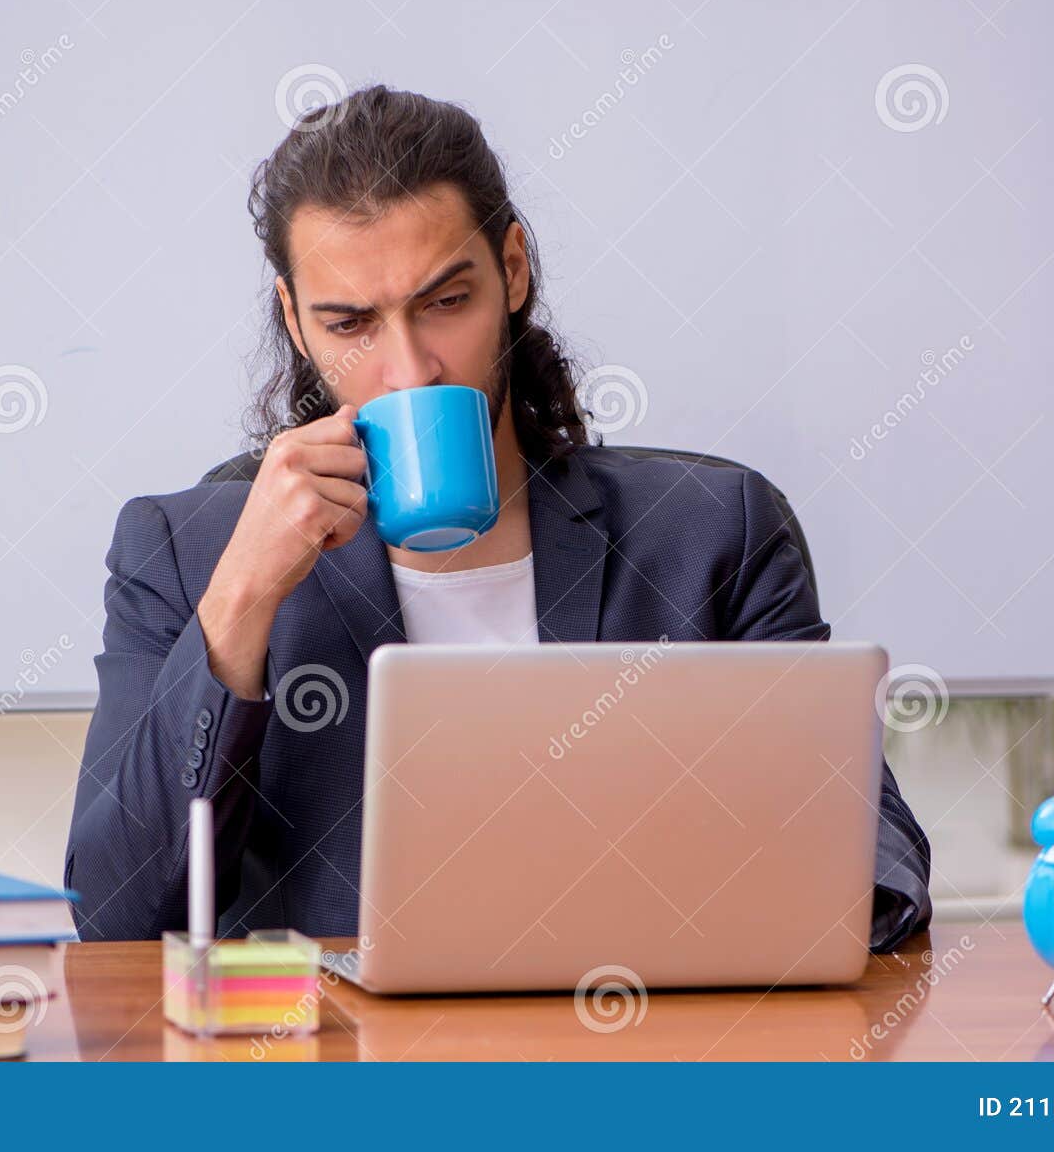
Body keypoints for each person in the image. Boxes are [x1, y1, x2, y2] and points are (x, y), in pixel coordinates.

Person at [64, 85, 932, 951]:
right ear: (295, 321)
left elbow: (877, 860)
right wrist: (243, 598)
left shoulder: (713, 535)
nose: (410, 370)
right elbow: (116, 913)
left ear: (513, 269)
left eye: (446, 302)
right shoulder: (185, 555)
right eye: (351, 323)